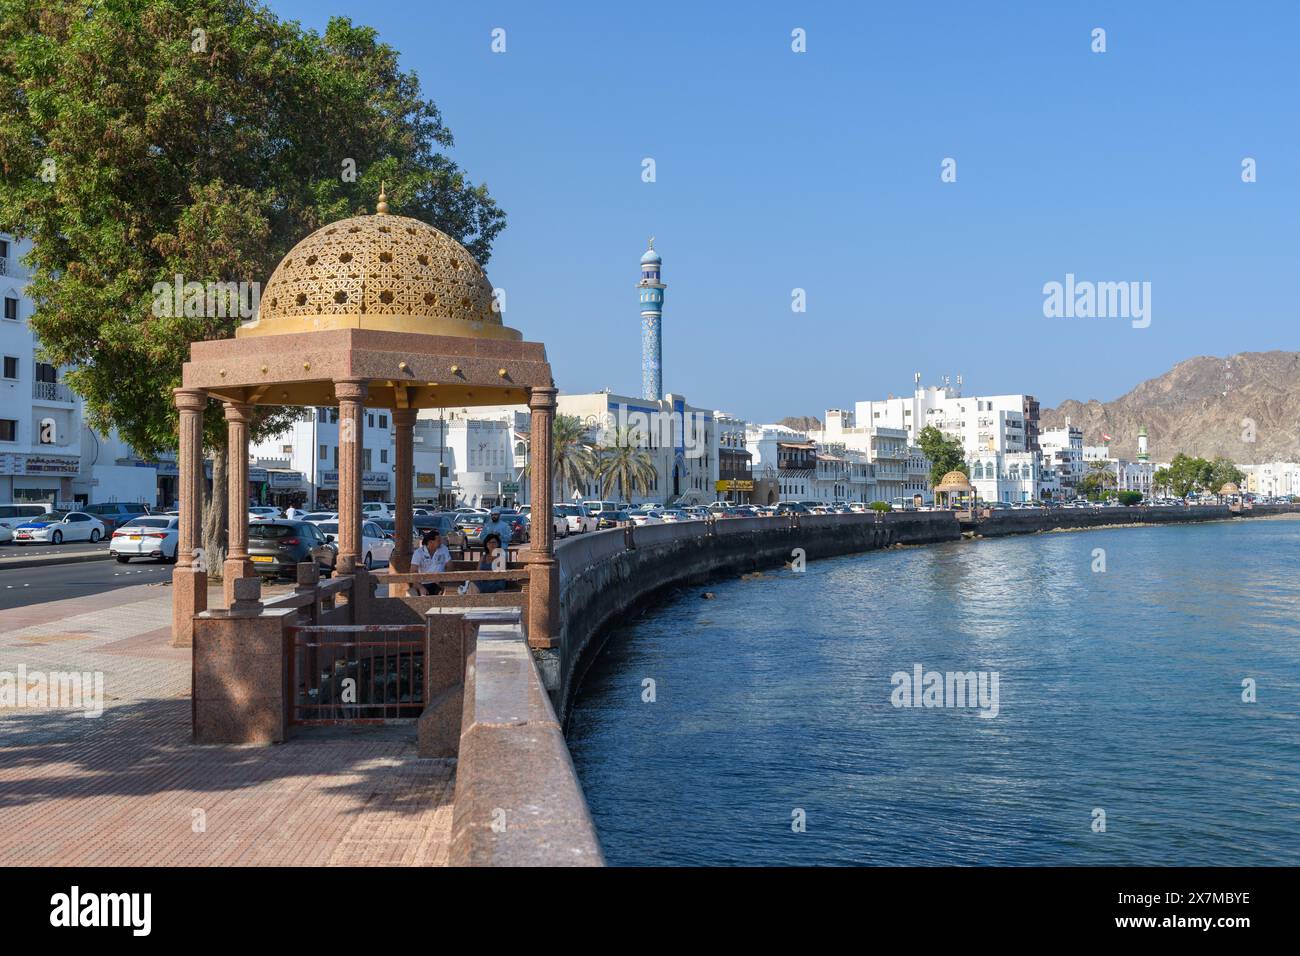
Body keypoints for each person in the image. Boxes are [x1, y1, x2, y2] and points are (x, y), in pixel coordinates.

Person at [411, 529, 451, 595]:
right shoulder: (418, 553)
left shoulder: (443, 549)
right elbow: (413, 571)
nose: (441, 542)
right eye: (438, 541)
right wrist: (420, 587)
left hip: (440, 582)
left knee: (448, 592)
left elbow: (450, 566)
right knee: (417, 594)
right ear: (430, 542)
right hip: (424, 583)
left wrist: (443, 579)